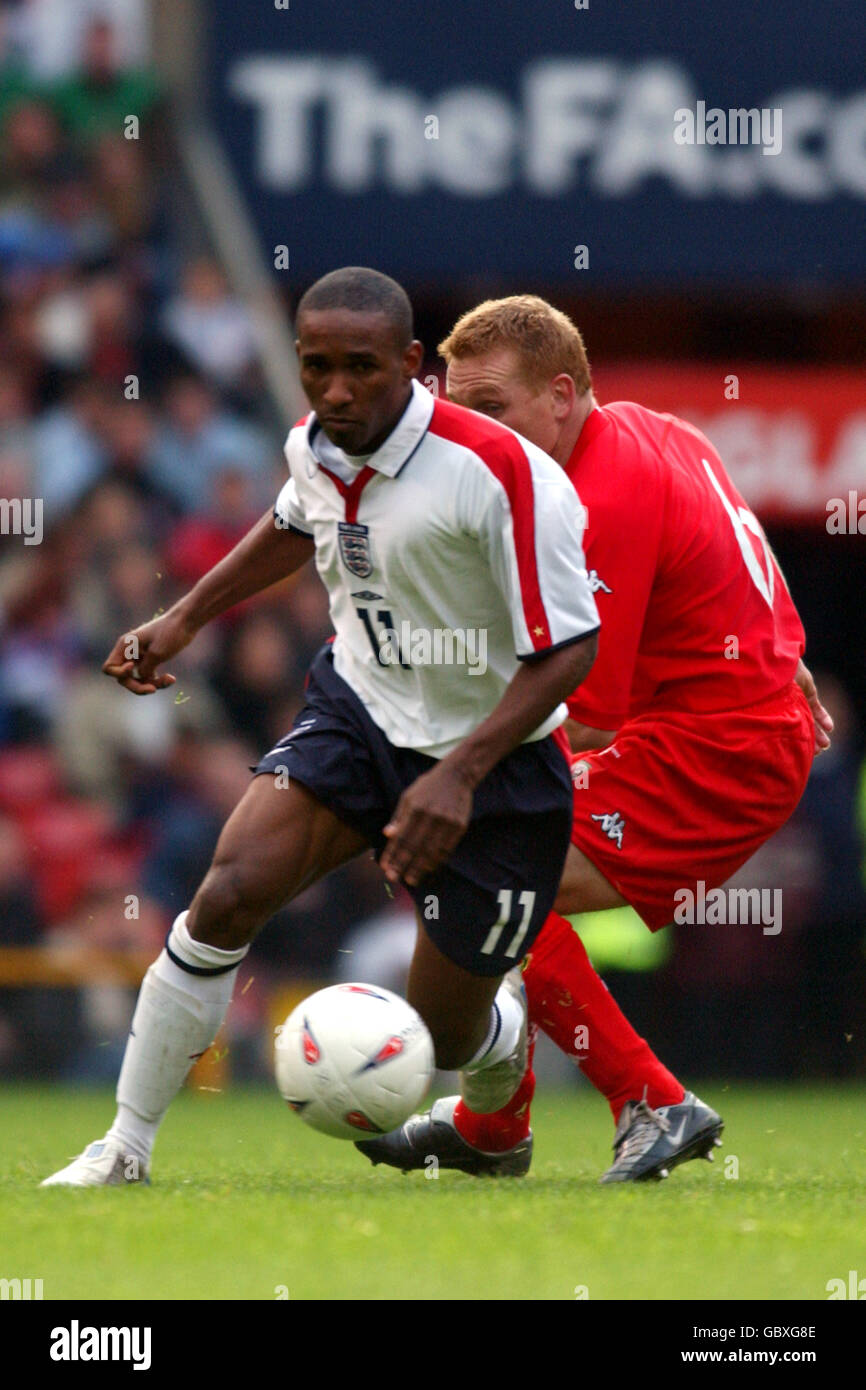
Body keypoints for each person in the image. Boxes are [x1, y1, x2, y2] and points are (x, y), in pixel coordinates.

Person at [41, 268, 600, 1186]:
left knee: (444, 1032)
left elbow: (568, 651)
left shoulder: (502, 472)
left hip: (497, 767)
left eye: (362, 370)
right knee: (226, 895)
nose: (337, 391)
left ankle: (501, 1046)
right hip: (361, 713)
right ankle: (125, 1148)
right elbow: (293, 522)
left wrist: (458, 773)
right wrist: (180, 619)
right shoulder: (315, 443)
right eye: (317, 368)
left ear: (414, 365)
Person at [356, 294, 830, 1183]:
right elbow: (737, 541)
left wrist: (451, 767)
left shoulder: (592, 501)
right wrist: (782, 650)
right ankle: (498, 1127)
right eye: (458, 409)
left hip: (712, 752)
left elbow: (581, 700)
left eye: (491, 407)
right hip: (735, 726)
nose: (470, 430)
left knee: (498, 873)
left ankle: (643, 1101)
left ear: (563, 395)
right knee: (489, 870)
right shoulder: (653, 427)